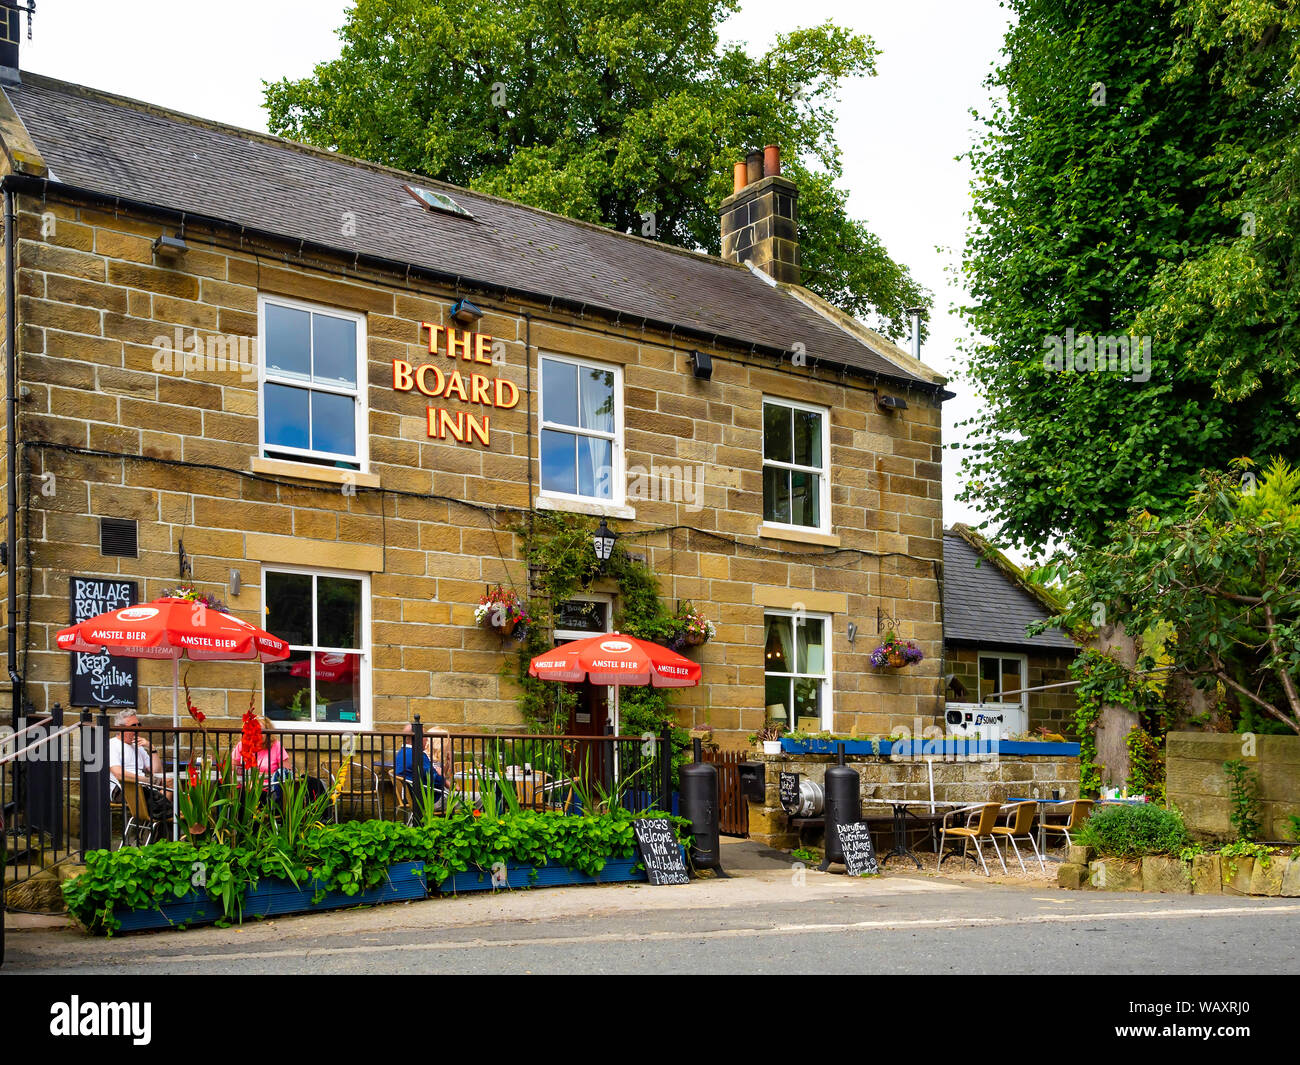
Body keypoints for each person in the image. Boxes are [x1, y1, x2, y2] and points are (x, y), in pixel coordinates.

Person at [394, 724, 445, 813]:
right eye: (425, 736)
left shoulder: (401, 753)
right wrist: (441, 775)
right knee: (476, 797)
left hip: (409, 798)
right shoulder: (418, 755)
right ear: (417, 737)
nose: (427, 739)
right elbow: (436, 781)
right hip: (430, 800)